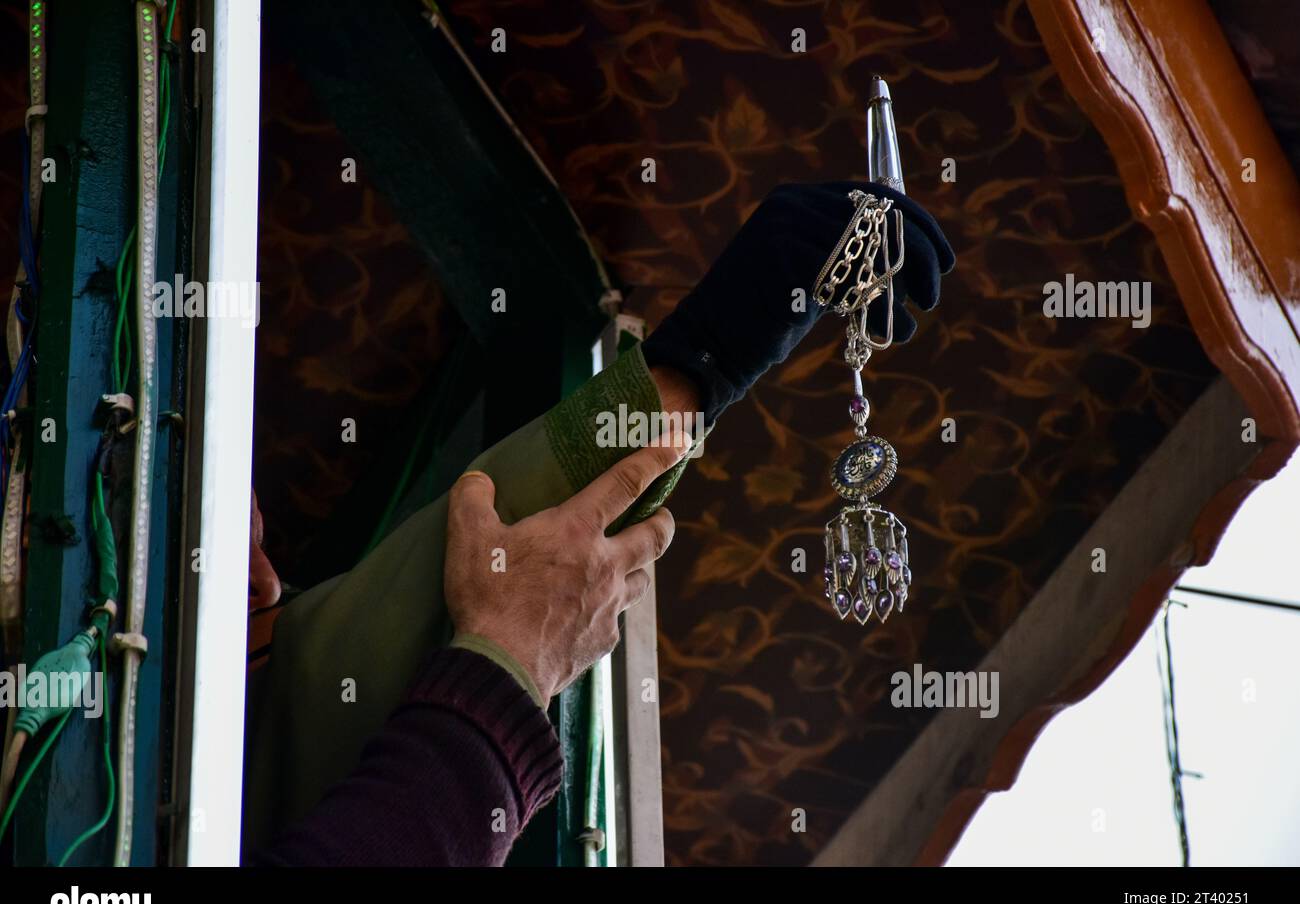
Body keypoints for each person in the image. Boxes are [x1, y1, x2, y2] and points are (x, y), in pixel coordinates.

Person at [242, 181, 955, 863]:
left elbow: (419, 589)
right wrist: (515, 657)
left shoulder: (274, 711)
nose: (261, 576)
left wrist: (709, 359)